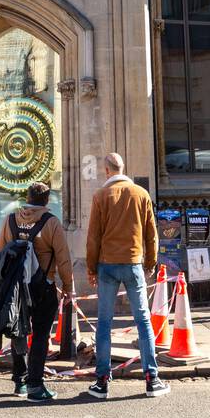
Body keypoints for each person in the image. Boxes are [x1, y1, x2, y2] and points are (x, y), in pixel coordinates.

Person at [86, 153, 169, 400]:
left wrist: (91, 268)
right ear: (123, 168)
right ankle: (151, 379)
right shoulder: (141, 194)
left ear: (107, 170)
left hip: (107, 264)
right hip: (133, 263)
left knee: (104, 321)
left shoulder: (101, 196)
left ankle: (101, 381)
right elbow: (151, 234)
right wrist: (151, 262)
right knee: (143, 320)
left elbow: (93, 237)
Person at [0, 180, 73, 404]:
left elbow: (1, 252)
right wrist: (67, 287)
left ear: (27, 197)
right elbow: (63, 258)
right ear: (47, 200)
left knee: (17, 329)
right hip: (43, 287)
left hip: (16, 286)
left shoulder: (10, 220)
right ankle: (35, 385)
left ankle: (20, 379)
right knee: (40, 335)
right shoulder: (51, 223)